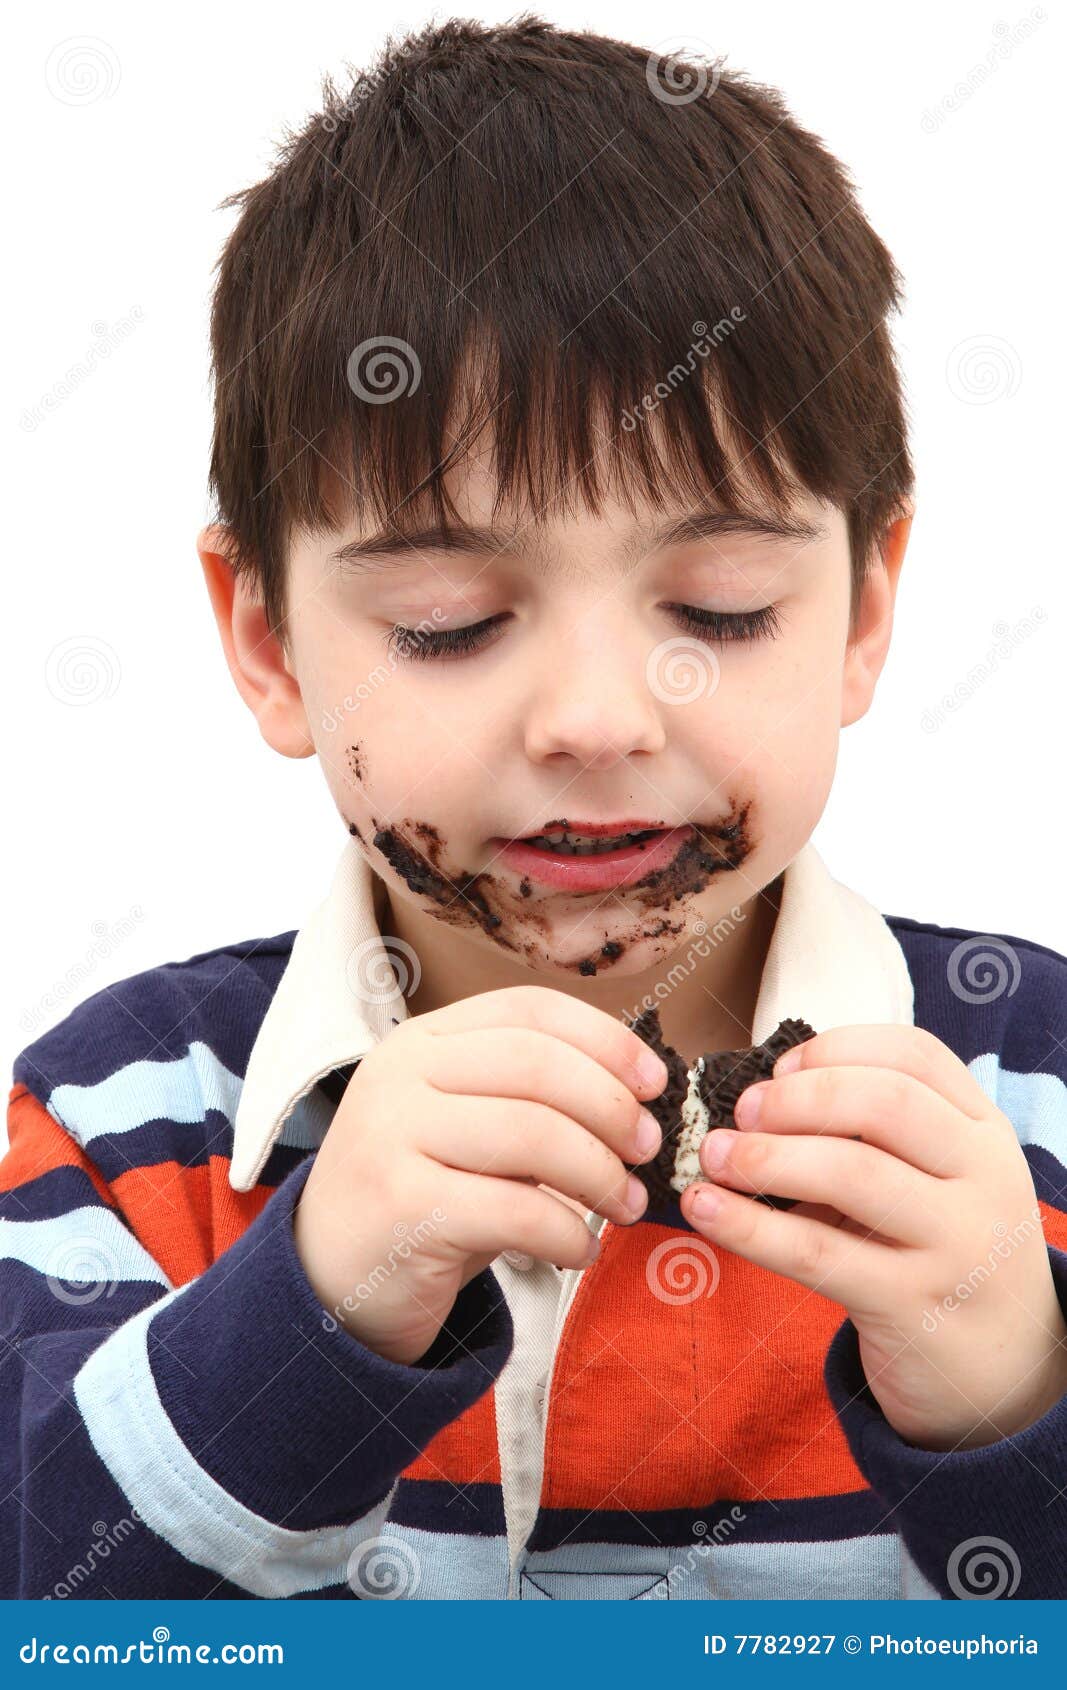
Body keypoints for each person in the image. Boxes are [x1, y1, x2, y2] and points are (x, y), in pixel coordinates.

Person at [4, 15, 1065, 1602]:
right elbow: (47, 1606)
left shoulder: (1035, 1102)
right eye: (447, 621)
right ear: (267, 642)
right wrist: (308, 1318)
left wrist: (1018, 1404)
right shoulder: (115, 1123)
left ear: (862, 610)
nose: (594, 721)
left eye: (716, 608)